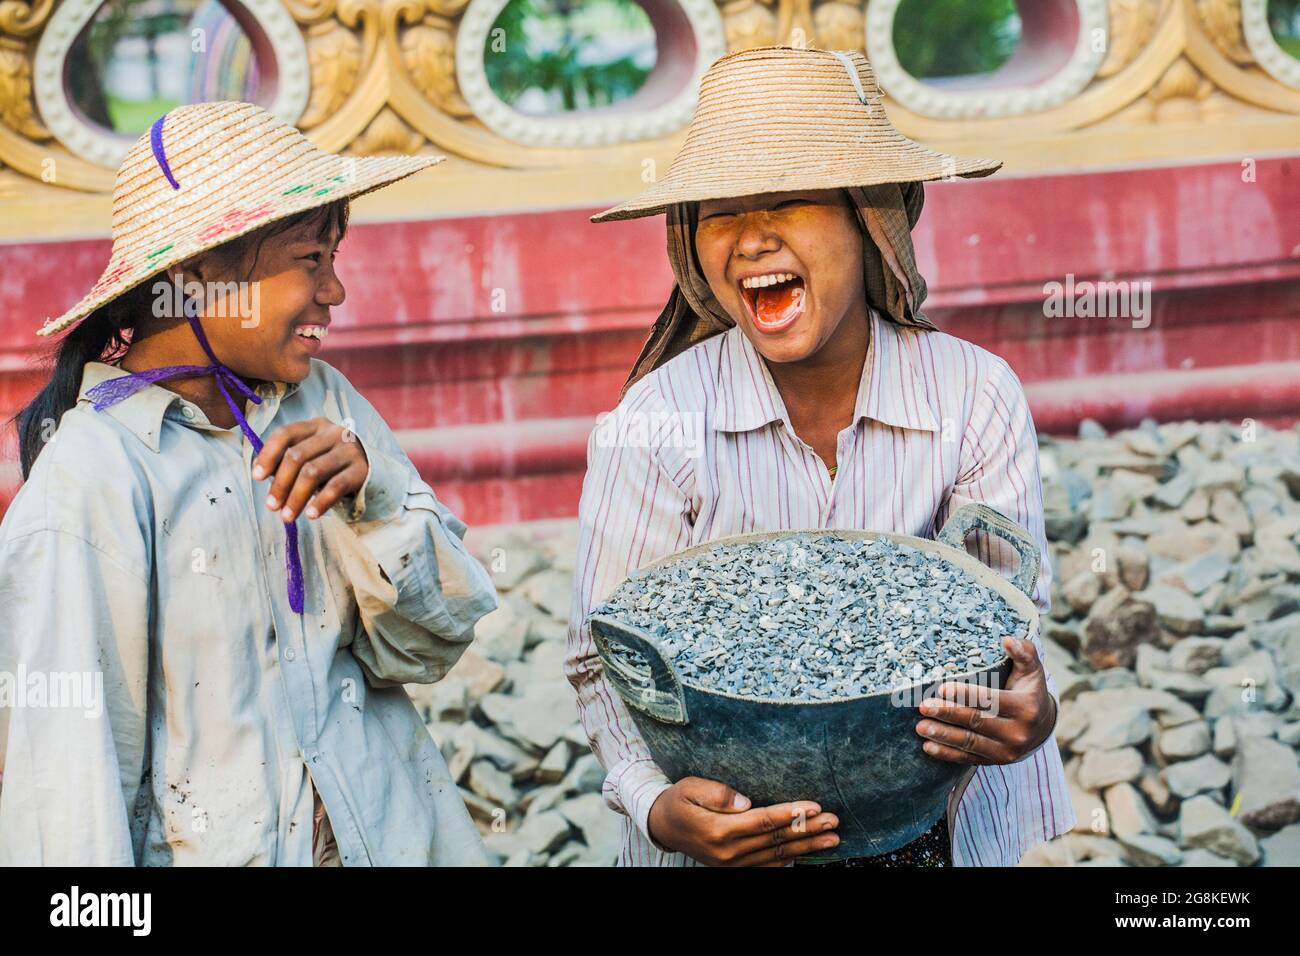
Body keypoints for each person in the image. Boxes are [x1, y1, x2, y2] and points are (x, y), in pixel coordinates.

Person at [565, 46, 1074, 867]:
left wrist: (1031, 717)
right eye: (719, 211)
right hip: (737, 833)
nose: (752, 237)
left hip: (934, 826)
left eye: (792, 201)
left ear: (869, 217)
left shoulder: (972, 395)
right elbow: (603, 651)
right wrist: (653, 803)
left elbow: (1004, 620)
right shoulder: (656, 421)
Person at [0, 101, 498, 865]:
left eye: (334, 258)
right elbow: (66, 778)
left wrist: (377, 500)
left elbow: (426, 651)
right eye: (310, 260)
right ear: (195, 274)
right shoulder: (95, 477)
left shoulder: (327, 405)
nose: (335, 292)